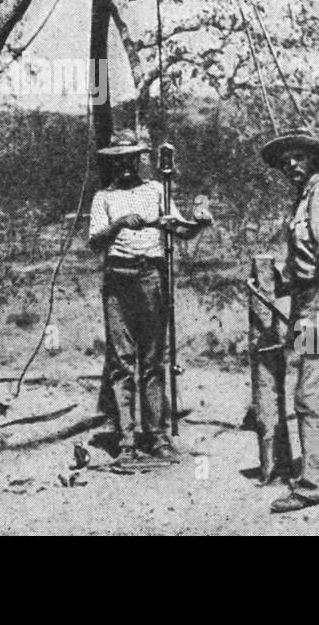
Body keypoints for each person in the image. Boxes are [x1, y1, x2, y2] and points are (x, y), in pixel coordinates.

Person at [88, 130, 210, 463]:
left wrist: (198, 224)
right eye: (118, 160)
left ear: (139, 159)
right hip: (118, 278)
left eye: (131, 158)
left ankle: (156, 436)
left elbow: (180, 230)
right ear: (111, 163)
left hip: (151, 276)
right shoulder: (104, 197)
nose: (125, 165)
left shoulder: (156, 190)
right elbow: (94, 243)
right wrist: (118, 226)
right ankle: (126, 440)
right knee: (123, 361)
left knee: (154, 359)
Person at [260, 128, 319, 513]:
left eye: (298, 157)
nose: (291, 165)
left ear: (313, 159)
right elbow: (308, 256)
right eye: (285, 161)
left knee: (310, 393)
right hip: (311, 299)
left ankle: (313, 483)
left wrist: (316, 309)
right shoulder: (305, 198)